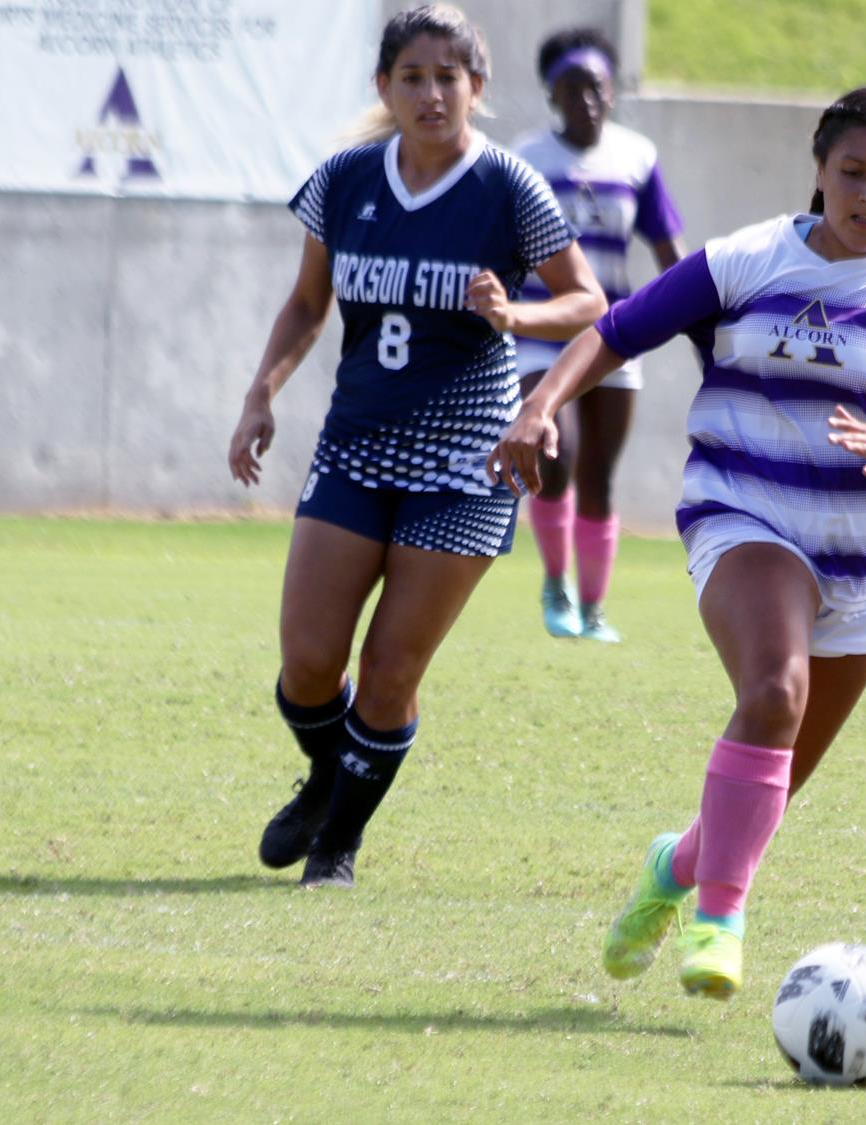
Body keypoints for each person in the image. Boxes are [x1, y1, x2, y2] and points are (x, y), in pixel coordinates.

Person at [494, 86, 866, 998]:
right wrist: (539, 406)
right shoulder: (746, 259)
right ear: (819, 169)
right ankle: (720, 918)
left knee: (770, 783)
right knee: (773, 694)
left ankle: (674, 866)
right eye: (853, 172)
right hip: (747, 514)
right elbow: (612, 329)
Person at [226, 5, 604, 888]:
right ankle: (325, 778)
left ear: (477, 87)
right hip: (356, 445)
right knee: (310, 661)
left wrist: (519, 314)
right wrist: (260, 393)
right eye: (412, 78)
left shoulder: (508, 186)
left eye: (448, 78)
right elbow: (308, 302)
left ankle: (338, 846)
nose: (432, 94)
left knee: (390, 669)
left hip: (466, 460)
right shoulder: (345, 179)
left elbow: (586, 302)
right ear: (384, 88)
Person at [509, 28, 688, 643]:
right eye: (571, 87)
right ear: (551, 94)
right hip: (543, 331)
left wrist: (698, 316)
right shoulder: (526, 158)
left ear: (613, 93)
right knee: (558, 457)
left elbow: (670, 249)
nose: (586, 99)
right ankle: (555, 587)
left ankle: (594, 609)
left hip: (616, 334)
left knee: (601, 476)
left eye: (597, 86)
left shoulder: (636, 157)